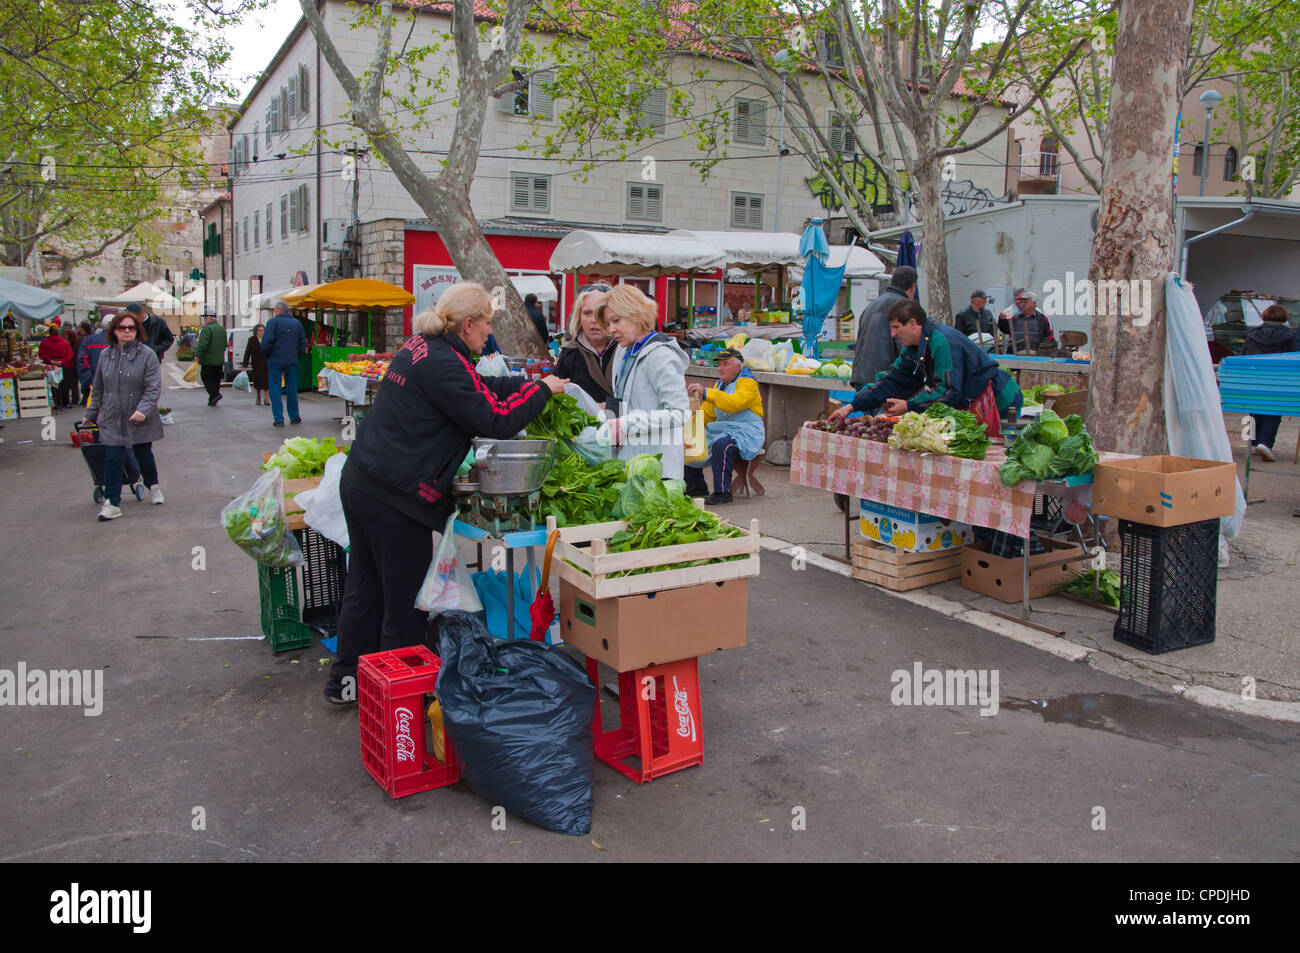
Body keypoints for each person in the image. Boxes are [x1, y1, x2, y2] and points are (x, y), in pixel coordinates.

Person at [324, 281, 568, 706]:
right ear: (468, 324)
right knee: (402, 605)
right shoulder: (444, 363)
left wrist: (530, 383)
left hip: (364, 481)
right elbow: (495, 420)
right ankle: (399, 703)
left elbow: (480, 393)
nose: (489, 333)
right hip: (395, 498)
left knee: (365, 590)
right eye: (487, 323)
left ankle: (348, 684)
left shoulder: (426, 347)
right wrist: (543, 390)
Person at [830, 299, 1022, 431]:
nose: (893, 335)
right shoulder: (913, 349)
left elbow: (949, 392)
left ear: (913, 323)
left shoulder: (943, 342)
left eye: (896, 327)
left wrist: (909, 405)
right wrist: (852, 406)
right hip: (970, 405)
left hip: (1001, 401)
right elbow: (891, 382)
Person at [82, 310, 165, 521]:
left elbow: (153, 387)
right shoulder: (105, 355)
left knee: (142, 453)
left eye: (131, 327)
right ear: (114, 331)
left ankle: (153, 485)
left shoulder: (147, 354)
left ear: (138, 331)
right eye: (122, 328)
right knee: (112, 458)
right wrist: (90, 413)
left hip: (138, 415)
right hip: (111, 415)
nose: (127, 331)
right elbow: (98, 388)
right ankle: (112, 503)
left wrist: (143, 410)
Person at [601, 284, 690, 480]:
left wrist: (625, 423)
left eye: (616, 320)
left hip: (660, 469)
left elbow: (680, 413)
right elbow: (627, 398)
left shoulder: (661, 356)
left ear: (636, 315)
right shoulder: (623, 351)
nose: (610, 330)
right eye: (608, 323)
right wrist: (610, 411)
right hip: (632, 464)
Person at [684, 348, 764, 505]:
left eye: (725, 364)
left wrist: (705, 393)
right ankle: (696, 484)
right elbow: (707, 414)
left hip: (746, 432)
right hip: (722, 430)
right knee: (689, 439)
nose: (720, 368)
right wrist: (688, 428)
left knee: (723, 445)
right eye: (719, 365)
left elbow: (734, 403)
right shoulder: (718, 385)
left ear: (738, 367)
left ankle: (723, 492)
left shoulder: (748, 383)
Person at [1244, 303, 1298, 462]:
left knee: (1254, 409)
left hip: (1252, 383)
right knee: (1273, 409)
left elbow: (1243, 355)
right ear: (1284, 318)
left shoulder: (1251, 335)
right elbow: (1293, 362)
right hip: (1277, 383)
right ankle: (1265, 443)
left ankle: (1252, 442)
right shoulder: (1289, 336)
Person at [851, 265, 916, 388]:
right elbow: (905, 349)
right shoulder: (904, 307)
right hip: (884, 379)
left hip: (860, 376)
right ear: (913, 287)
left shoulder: (871, 305)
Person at [554, 287, 614, 403]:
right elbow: (558, 400)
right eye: (587, 313)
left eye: (600, 312)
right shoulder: (569, 353)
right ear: (579, 317)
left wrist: (613, 408)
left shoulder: (627, 351)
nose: (594, 319)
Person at [260, 302, 308, 427]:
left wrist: (266, 355)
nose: (274, 312)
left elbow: (266, 342)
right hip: (292, 361)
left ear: (279, 310)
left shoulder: (273, 323)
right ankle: (294, 416)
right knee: (292, 388)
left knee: (275, 389)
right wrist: (297, 354)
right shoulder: (297, 323)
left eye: (275, 310)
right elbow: (303, 342)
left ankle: (279, 418)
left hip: (275, 360)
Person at [38, 324, 75, 410]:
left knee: (55, 385)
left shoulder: (44, 342)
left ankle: (57, 403)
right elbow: (70, 355)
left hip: (51, 366)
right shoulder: (65, 343)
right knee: (65, 384)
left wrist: (51, 360)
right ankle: (66, 402)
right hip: (63, 365)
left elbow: (41, 354)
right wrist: (62, 361)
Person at [194, 313, 227, 406]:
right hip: (219, 359)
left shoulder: (207, 329)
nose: (204, 320)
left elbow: (203, 344)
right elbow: (225, 344)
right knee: (216, 379)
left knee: (206, 378)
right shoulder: (222, 329)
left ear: (209, 318)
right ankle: (212, 399)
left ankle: (215, 394)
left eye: (205, 318)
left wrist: (198, 355)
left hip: (208, 360)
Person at [78, 315, 112, 398]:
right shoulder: (120, 342)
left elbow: (82, 362)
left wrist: (89, 382)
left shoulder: (90, 340)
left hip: (93, 385)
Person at [242, 323, 270, 406]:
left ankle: (267, 398)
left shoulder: (267, 339)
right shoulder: (252, 340)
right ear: (256, 332)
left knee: (266, 382)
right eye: (260, 331)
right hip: (256, 363)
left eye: (263, 330)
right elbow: (247, 353)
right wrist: (245, 365)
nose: (262, 332)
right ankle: (258, 397)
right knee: (257, 381)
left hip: (266, 363)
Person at [63, 323, 84, 407]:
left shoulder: (76, 343)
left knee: (73, 383)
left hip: (73, 365)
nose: (65, 336)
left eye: (66, 335)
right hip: (70, 365)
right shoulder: (70, 343)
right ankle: (72, 399)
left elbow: (74, 355)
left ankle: (75, 399)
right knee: (70, 383)